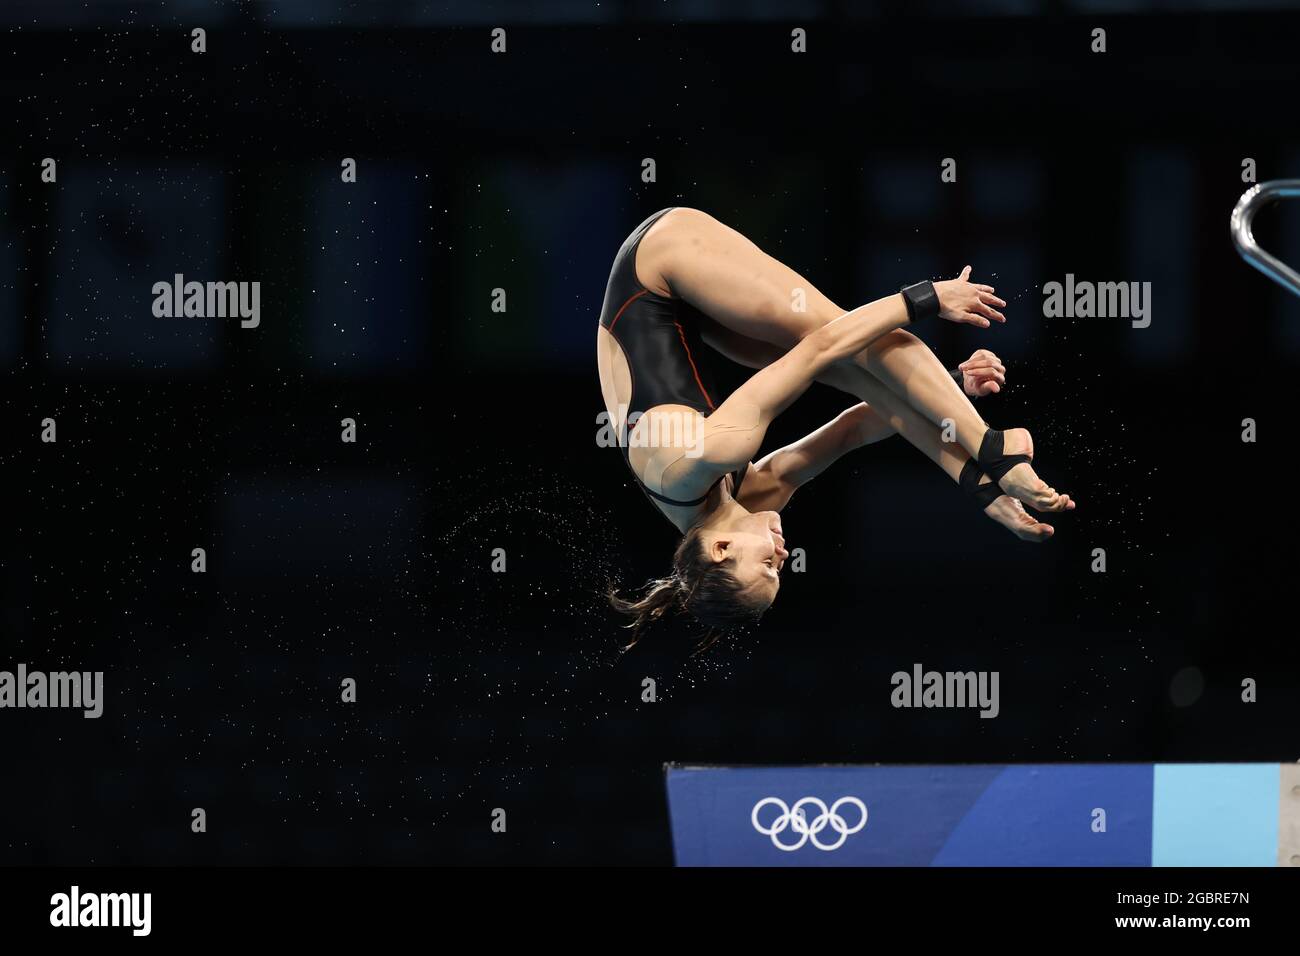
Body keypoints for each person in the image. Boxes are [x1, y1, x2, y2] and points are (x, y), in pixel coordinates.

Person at [597, 208, 1074, 647]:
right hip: (689, 321)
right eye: (780, 572)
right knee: (865, 369)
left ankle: (991, 448)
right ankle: (983, 474)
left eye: (767, 565)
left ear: (721, 548)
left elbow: (822, 346)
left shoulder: (708, 455)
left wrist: (929, 296)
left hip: (659, 265)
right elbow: (853, 430)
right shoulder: (744, 502)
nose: (783, 557)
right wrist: (952, 392)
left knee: (858, 343)